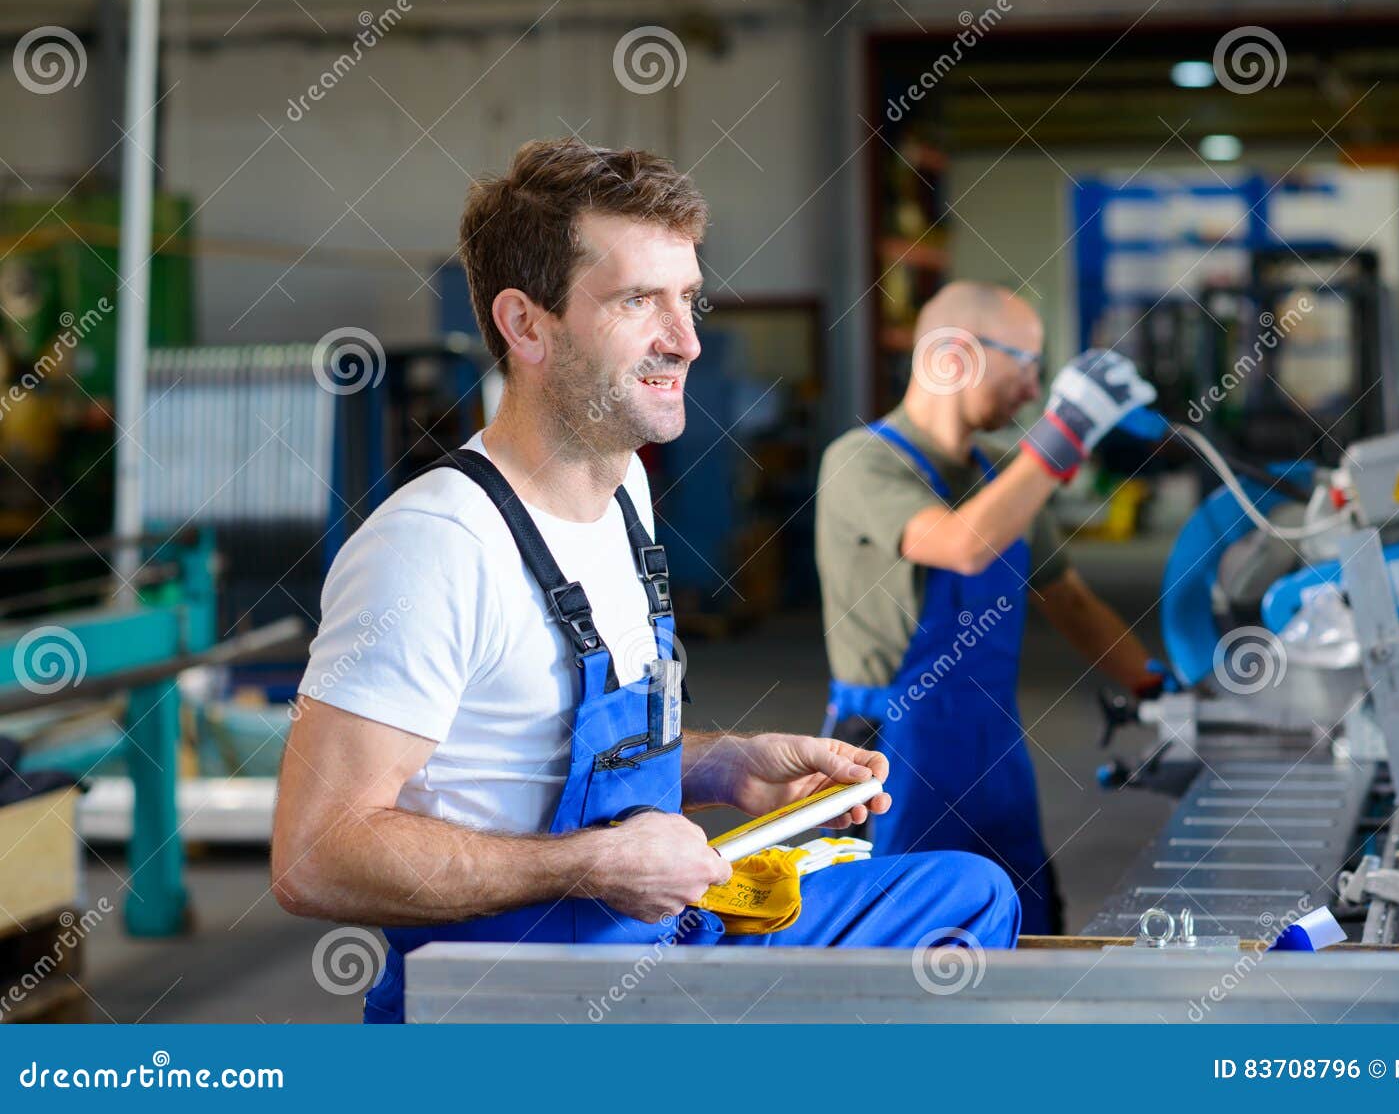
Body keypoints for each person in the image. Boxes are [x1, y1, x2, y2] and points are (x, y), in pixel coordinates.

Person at [270, 140, 1019, 1023]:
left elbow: (543, 745)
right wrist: (587, 865)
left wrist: (726, 766)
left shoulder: (626, 489)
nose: (688, 340)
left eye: (688, 299)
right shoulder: (434, 546)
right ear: (526, 324)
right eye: (639, 302)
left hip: (659, 942)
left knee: (971, 894)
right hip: (527, 1002)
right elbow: (314, 854)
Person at [815, 281, 1165, 935]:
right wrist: (1063, 435)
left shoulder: (1005, 472)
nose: (1034, 391)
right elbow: (960, 545)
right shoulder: (859, 462)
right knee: (893, 936)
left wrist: (1160, 691)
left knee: (1023, 921)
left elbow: (1072, 602)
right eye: (1028, 365)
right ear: (961, 354)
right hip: (889, 756)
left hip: (995, 747)